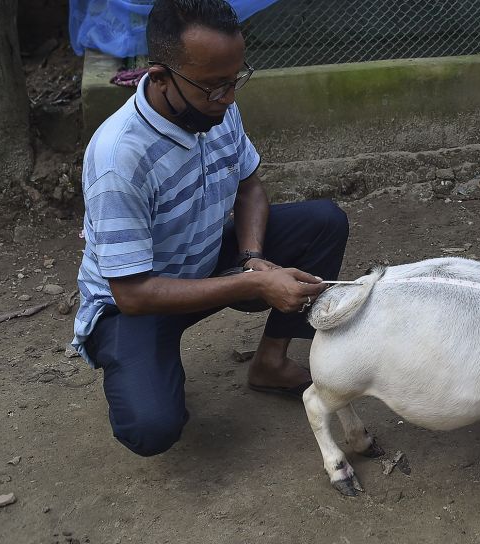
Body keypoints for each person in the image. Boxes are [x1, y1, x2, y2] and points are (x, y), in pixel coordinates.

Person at [71, 0, 349, 456]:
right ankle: (142, 367)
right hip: (133, 304)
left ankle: (270, 364)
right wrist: (249, 285)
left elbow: (250, 189)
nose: (229, 97)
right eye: (215, 86)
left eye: (235, 79)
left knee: (323, 222)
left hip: (204, 260)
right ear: (159, 77)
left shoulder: (213, 107)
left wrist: (251, 257)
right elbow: (133, 293)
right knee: (151, 427)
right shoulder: (118, 158)